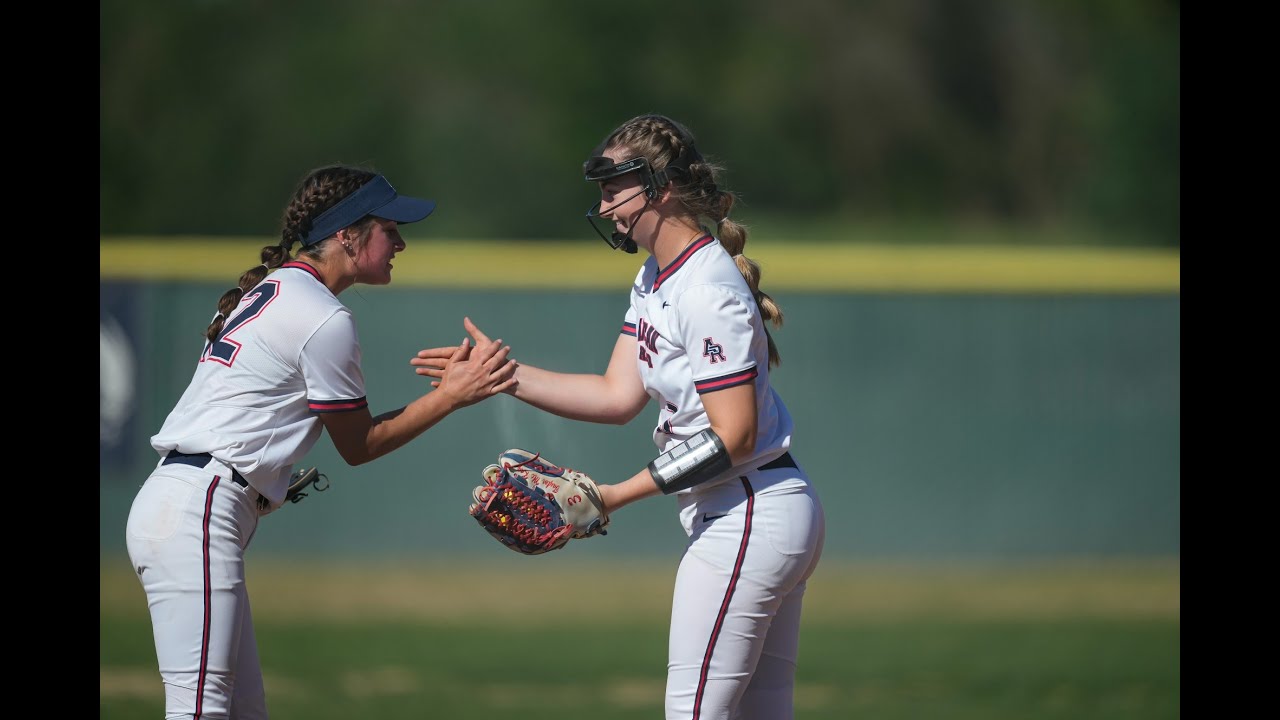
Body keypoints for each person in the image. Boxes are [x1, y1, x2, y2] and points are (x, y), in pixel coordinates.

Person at [415, 114, 825, 720]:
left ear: (658, 187)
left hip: (747, 513)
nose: (605, 207)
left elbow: (733, 436)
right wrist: (501, 375)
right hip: (756, 508)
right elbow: (616, 395)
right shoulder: (657, 276)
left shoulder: (705, 288)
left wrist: (612, 495)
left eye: (614, 189)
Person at [125, 164, 517, 719]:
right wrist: (452, 395)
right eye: (389, 227)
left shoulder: (278, 289)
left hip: (189, 501)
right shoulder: (321, 315)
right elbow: (360, 445)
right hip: (199, 510)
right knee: (199, 711)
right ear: (347, 234)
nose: (401, 241)